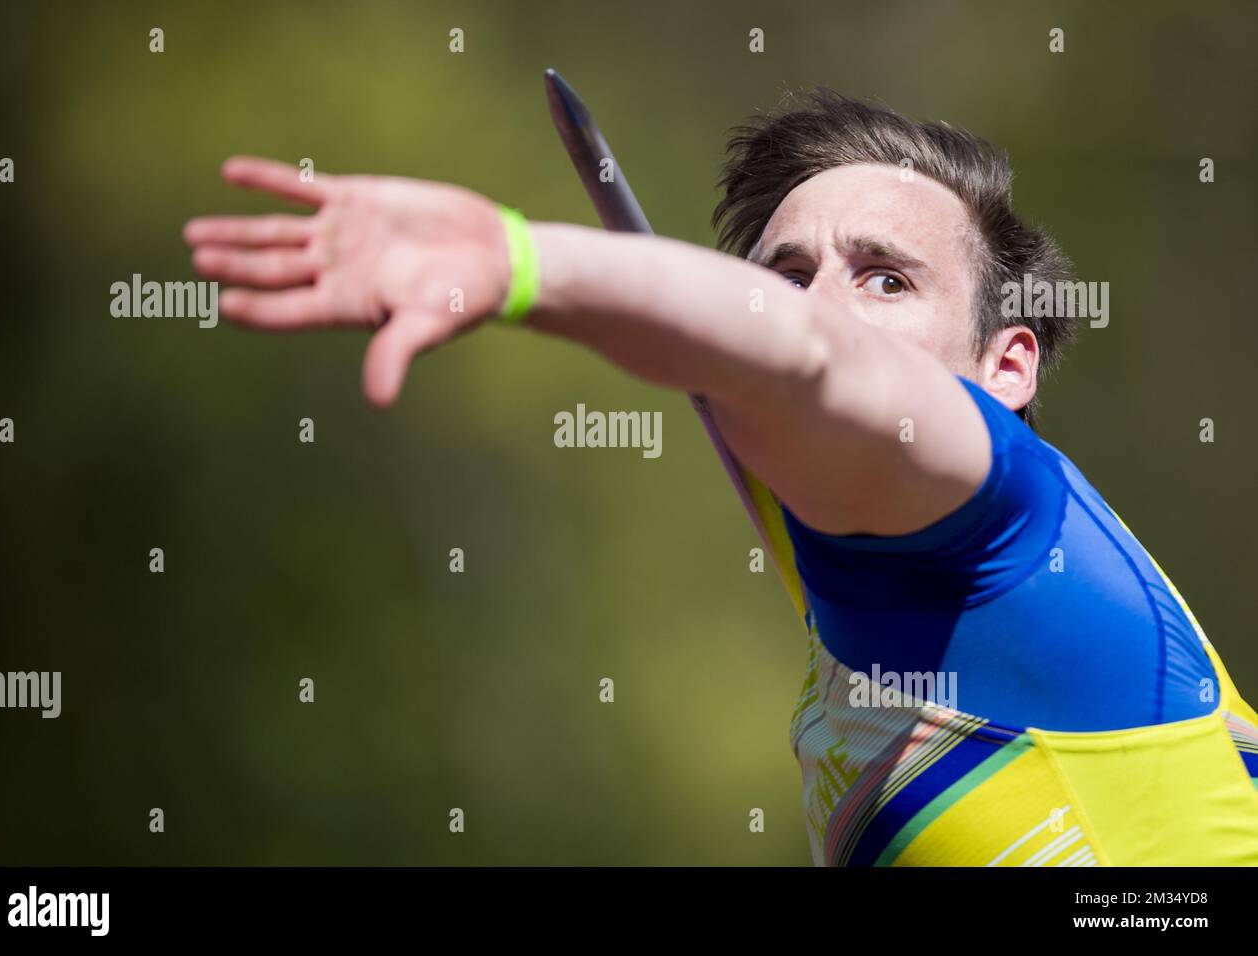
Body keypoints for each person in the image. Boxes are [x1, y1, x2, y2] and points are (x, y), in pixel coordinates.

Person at [183, 89, 1258, 866]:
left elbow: (810, 360)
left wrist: (521, 263)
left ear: (1003, 366)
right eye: (786, 275)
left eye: (884, 276)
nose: (821, 303)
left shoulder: (1012, 517)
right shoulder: (847, 563)